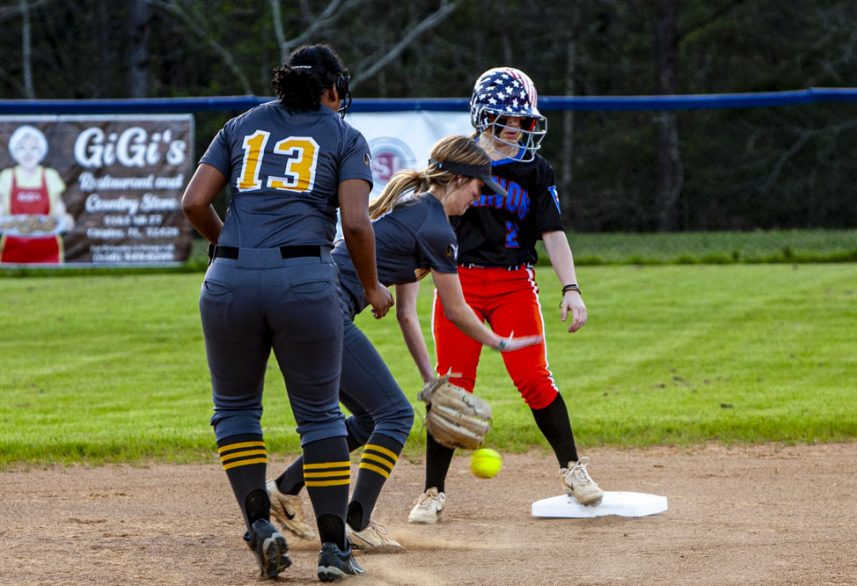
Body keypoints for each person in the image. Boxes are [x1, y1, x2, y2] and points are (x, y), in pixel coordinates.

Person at [266, 135, 543, 551]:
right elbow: (457, 310)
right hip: (324, 311)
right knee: (395, 416)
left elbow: (406, 314)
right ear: (457, 178)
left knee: (367, 418)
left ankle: (284, 489)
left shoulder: (412, 209)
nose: (479, 196)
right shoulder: (435, 227)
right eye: (478, 186)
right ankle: (357, 520)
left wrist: (430, 380)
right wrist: (498, 342)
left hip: (300, 307)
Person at [181, 43, 393, 581]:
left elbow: (193, 202)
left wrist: (229, 246)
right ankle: (332, 551)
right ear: (330, 89)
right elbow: (357, 223)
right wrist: (371, 286)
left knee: (234, 410)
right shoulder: (344, 136)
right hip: (303, 279)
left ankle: (260, 527)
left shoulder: (241, 125)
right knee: (320, 416)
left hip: (228, 279)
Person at [409, 67, 604, 525]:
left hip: (515, 282)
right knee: (453, 386)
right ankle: (432, 493)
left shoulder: (535, 169)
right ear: (482, 115)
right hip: (459, 281)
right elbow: (429, 224)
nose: (517, 127)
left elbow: (553, 233)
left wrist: (571, 288)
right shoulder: (457, 159)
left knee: (535, 378)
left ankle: (573, 470)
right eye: (507, 118)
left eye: (522, 120)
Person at [0, 125, 74, 264]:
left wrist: (65, 219)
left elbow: (58, 209)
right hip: (12, 247)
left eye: (34, 148)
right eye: (22, 148)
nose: (28, 153)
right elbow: (3, 209)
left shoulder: (50, 175)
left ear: (42, 153)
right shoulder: (7, 176)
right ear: (14, 152)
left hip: (48, 248)